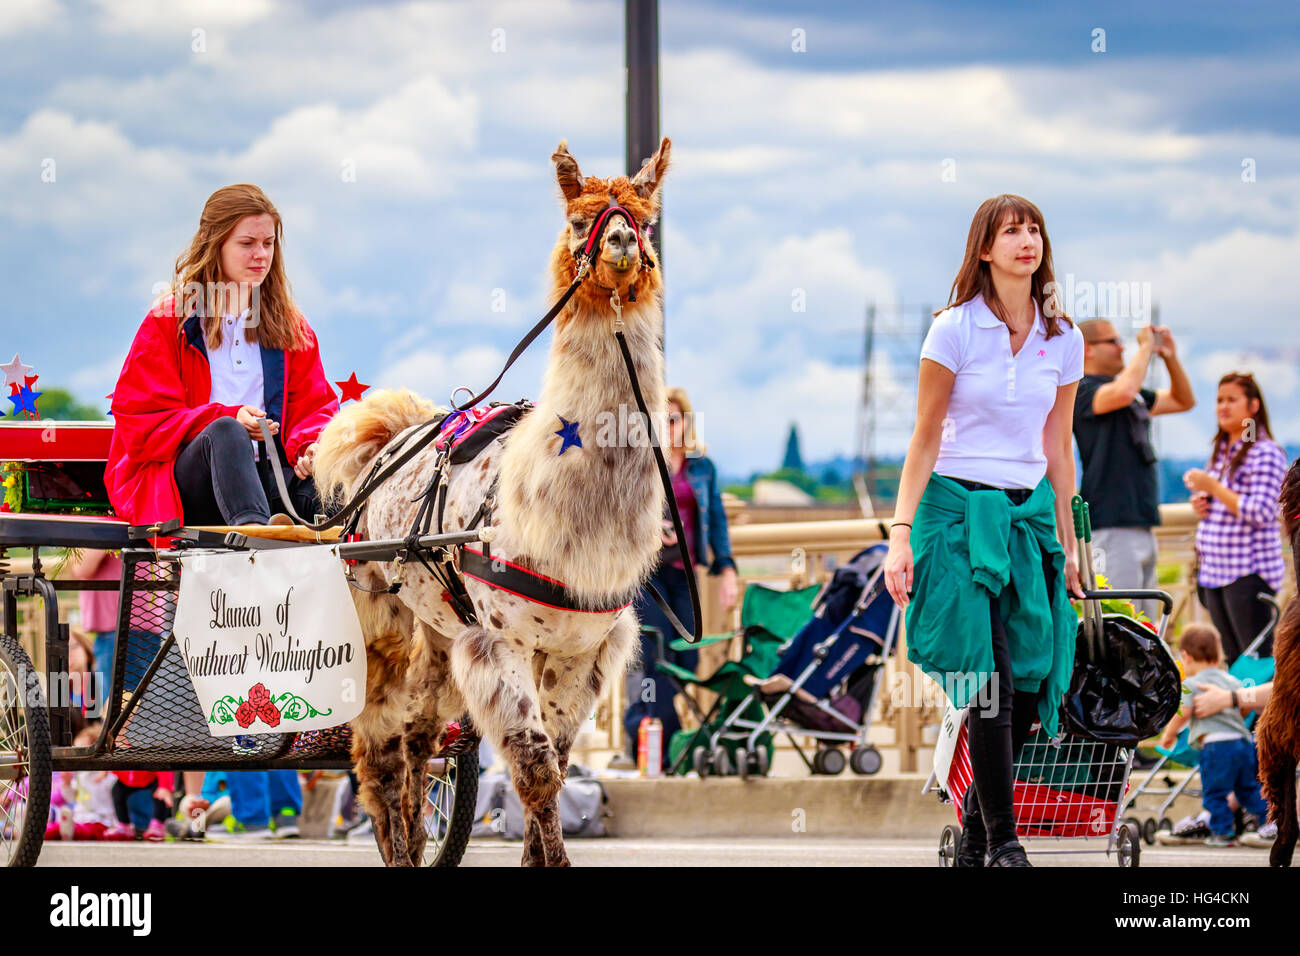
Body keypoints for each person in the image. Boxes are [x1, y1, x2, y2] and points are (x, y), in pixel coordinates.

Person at [883, 194, 1086, 867]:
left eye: (1033, 229)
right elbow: (924, 436)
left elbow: (1060, 446)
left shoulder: (1065, 337)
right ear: (984, 249)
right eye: (1011, 230)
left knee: (1029, 678)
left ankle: (973, 840)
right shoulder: (953, 330)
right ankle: (1005, 843)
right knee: (990, 676)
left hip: (1027, 518)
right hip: (956, 518)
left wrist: (1074, 544)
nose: (1026, 240)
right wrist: (898, 533)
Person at [105, 184, 339, 530]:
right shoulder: (171, 322)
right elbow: (143, 424)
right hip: (189, 485)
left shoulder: (292, 327)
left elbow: (315, 407)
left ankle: (357, 567)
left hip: (271, 477)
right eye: (247, 244)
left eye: (268, 243)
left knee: (333, 480)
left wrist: (310, 447)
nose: (261, 254)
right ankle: (255, 546)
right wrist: (227, 417)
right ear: (215, 245)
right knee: (228, 432)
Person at [620, 387, 738, 770]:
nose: (668, 427)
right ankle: (652, 747)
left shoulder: (701, 466)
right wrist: (650, 531)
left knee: (687, 656)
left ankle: (653, 736)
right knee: (652, 661)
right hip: (647, 578)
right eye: (660, 420)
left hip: (685, 576)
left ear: (685, 422)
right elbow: (621, 513)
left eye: (674, 419)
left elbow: (716, 518)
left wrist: (727, 568)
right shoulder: (640, 461)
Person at [1073, 319, 1195, 621]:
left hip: (1141, 521)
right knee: (1122, 624)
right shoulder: (1081, 390)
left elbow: (1183, 400)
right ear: (1088, 349)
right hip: (1110, 523)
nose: (1122, 347)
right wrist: (1145, 348)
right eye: (1113, 341)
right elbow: (1123, 392)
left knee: (1147, 626)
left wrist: (1169, 357)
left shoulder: (1132, 392)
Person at [1184, 373, 1287, 664]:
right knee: (1233, 658)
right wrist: (1204, 503)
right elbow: (1231, 501)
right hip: (1215, 572)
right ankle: (1240, 709)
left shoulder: (1264, 452)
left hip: (1247, 574)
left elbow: (1263, 511)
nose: (1223, 407)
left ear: (1253, 406)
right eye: (1219, 400)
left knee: (1254, 659)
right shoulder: (1222, 451)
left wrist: (1213, 487)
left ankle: (1260, 710)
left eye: (1232, 399)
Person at [1158, 624, 1275, 848]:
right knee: (1248, 789)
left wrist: (1168, 735)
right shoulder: (1231, 681)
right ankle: (1269, 821)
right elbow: (1244, 709)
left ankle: (1222, 833)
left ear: (1186, 656)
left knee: (1214, 792)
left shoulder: (1193, 684)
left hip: (1216, 748)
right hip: (1242, 744)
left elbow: (1183, 713)